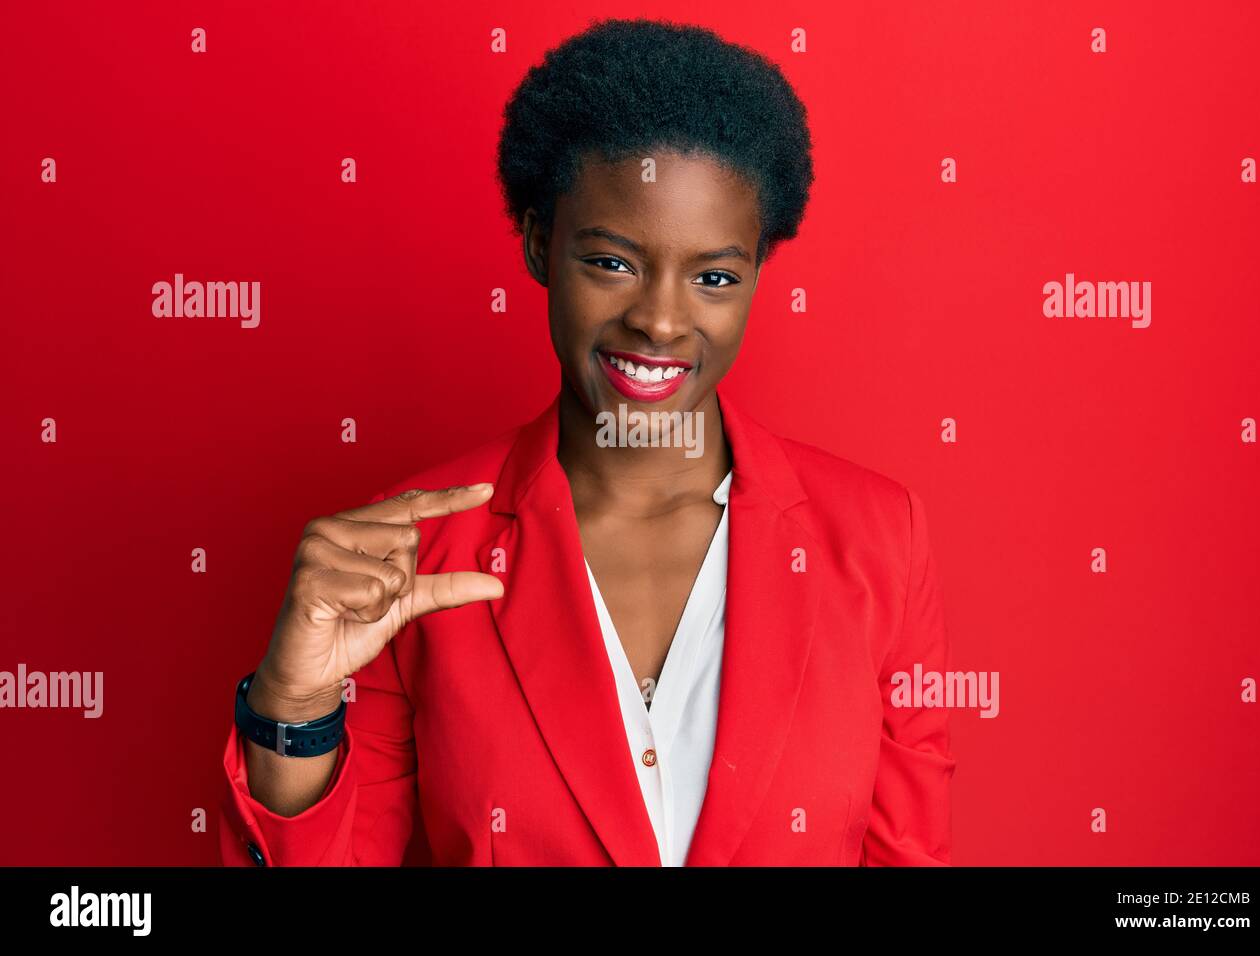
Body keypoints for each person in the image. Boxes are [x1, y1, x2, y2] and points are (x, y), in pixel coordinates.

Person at [218, 16, 956, 867]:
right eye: (612, 262)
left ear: (756, 275)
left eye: (714, 276)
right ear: (540, 242)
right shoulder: (411, 551)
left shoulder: (877, 540)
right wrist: (294, 703)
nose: (662, 319)